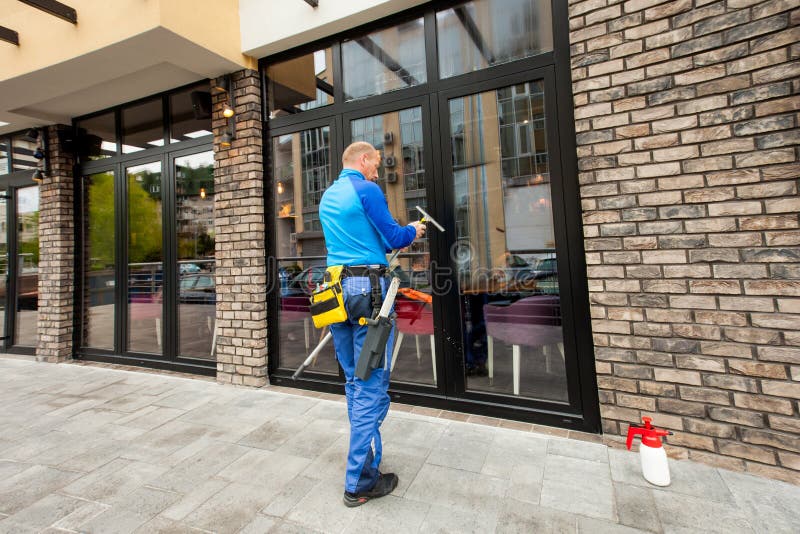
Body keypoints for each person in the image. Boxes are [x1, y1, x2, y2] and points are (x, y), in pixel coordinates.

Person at [319, 141, 425, 507]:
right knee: (371, 382)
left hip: (335, 291)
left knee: (353, 378)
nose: (378, 172)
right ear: (362, 160)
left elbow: (366, 238)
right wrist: (414, 229)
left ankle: (366, 459)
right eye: (376, 164)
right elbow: (394, 237)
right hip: (368, 292)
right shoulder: (366, 189)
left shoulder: (328, 196)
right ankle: (359, 481)